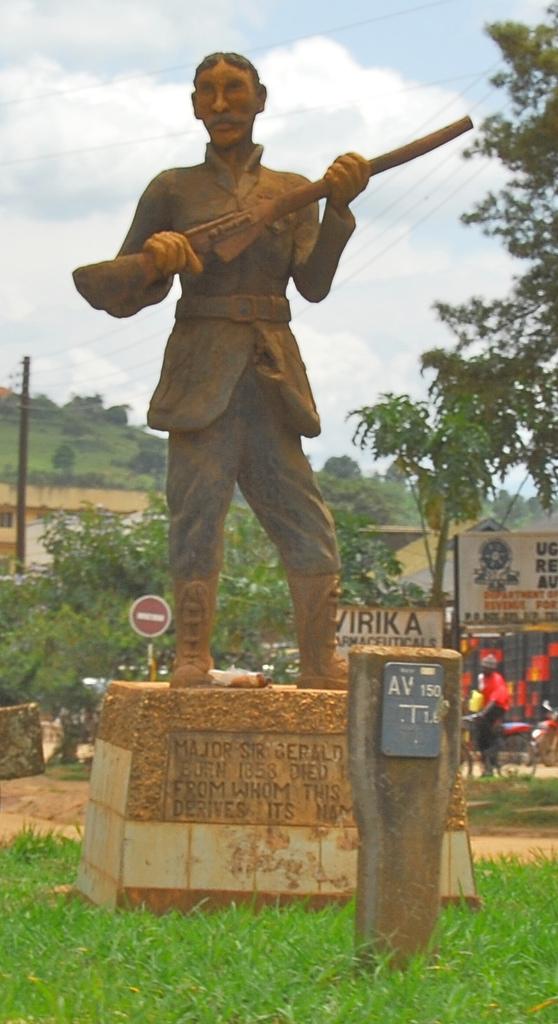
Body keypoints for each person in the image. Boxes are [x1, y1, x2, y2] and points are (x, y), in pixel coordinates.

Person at [75, 51, 370, 690]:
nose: (220, 104)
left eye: (233, 91)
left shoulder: (292, 192)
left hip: (271, 369)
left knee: (304, 515)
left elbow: (313, 285)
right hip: (200, 364)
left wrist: (341, 210)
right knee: (196, 511)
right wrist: (161, 257)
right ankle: (190, 659)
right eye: (206, 92)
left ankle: (321, 662)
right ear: (192, 106)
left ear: (260, 99)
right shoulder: (171, 188)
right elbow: (121, 291)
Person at [476, 654, 510, 775]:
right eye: (483, 667)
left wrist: (483, 713)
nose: (484, 670)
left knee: (492, 738)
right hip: (486, 709)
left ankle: (491, 759)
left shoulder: (497, 680)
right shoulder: (482, 678)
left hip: (497, 709)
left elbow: (494, 700)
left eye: (487, 668)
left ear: (492, 669)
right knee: (481, 739)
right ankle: (487, 767)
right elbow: (481, 694)